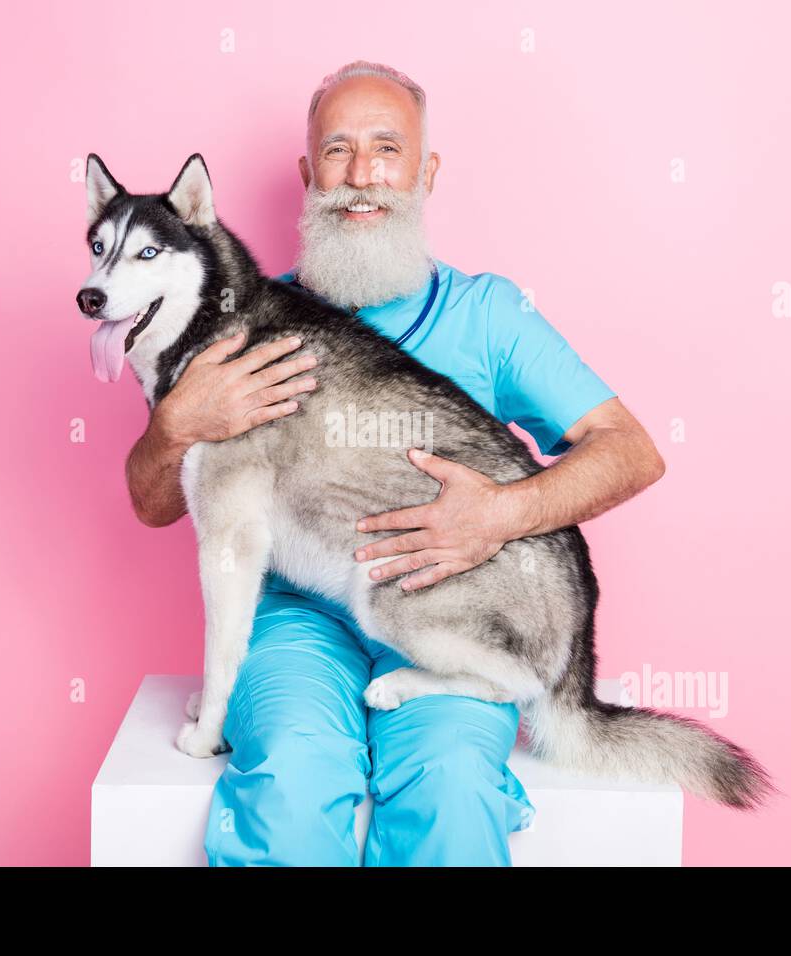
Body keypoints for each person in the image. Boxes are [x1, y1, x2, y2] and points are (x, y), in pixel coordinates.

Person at [124, 61, 666, 866]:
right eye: (337, 152)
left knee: (449, 788)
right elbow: (153, 503)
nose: (361, 174)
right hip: (295, 615)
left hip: (441, 605)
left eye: (387, 148)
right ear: (308, 176)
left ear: (426, 171)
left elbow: (631, 453)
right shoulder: (237, 316)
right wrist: (174, 425)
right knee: (291, 782)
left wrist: (501, 515)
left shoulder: (488, 312)